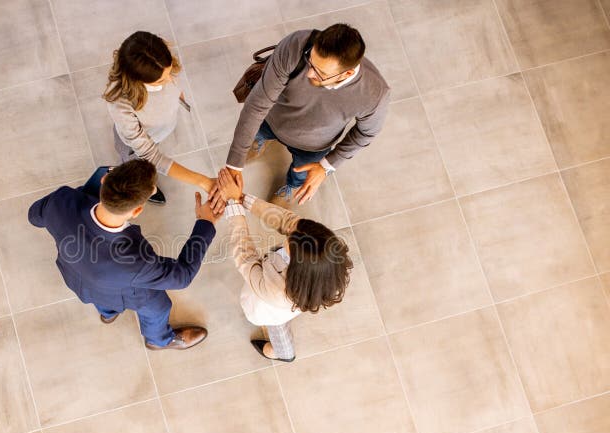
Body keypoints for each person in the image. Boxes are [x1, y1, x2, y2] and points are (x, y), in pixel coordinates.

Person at [28, 160, 219, 350]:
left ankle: (108, 313)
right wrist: (205, 222)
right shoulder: (138, 261)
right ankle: (159, 340)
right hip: (125, 292)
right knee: (158, 308)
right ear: (137, 210)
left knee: (101, 296)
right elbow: (182, 276)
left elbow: (34, 216)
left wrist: (79, 200)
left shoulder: (61, 201)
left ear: (104, 179)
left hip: (77, 279)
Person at [211, 23, 390, 209]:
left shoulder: (375, 94)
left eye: (320, 73)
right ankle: (258, 143)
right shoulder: (296, 45)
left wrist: (326, 166)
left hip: (313, 147)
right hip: (271, 120)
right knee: (258, 132)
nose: (309, 73)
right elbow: (257, 104)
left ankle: (291, 185)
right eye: (310, 61)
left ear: (347, 74)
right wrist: (235, 163)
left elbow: (365, 134)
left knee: (301, 173)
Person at [216, 168, 353, 361]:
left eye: (290, 238)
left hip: (269, 307)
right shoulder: (325, 254)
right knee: (281, 321)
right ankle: (283, 350)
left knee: (277, 325)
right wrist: (242, 198)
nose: (289, 232)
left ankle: (283, 354)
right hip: (295, 299)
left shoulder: (276, 291)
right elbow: (288, 221)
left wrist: (233, 205)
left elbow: (245, 257)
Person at [104, 31, 214, 205]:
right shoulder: (121, 103)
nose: (169, 79)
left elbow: (172, 82)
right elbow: (149, 154)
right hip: (133, 147)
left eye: (169, 73)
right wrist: (201, 180)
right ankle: (147, 189)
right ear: (137, 81)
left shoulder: (159, 62)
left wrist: (178, 96)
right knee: (135, 168)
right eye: (160, 81)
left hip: (158, 131)